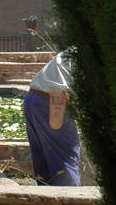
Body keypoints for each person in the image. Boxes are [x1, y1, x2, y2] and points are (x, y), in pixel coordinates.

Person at [22, 47, 80, 186]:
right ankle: (70, 202)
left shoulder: (75, 50)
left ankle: (48, 201)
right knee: (65, 158)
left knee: (43, 159)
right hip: (53, 103)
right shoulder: (94, 53)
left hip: (33, 98)